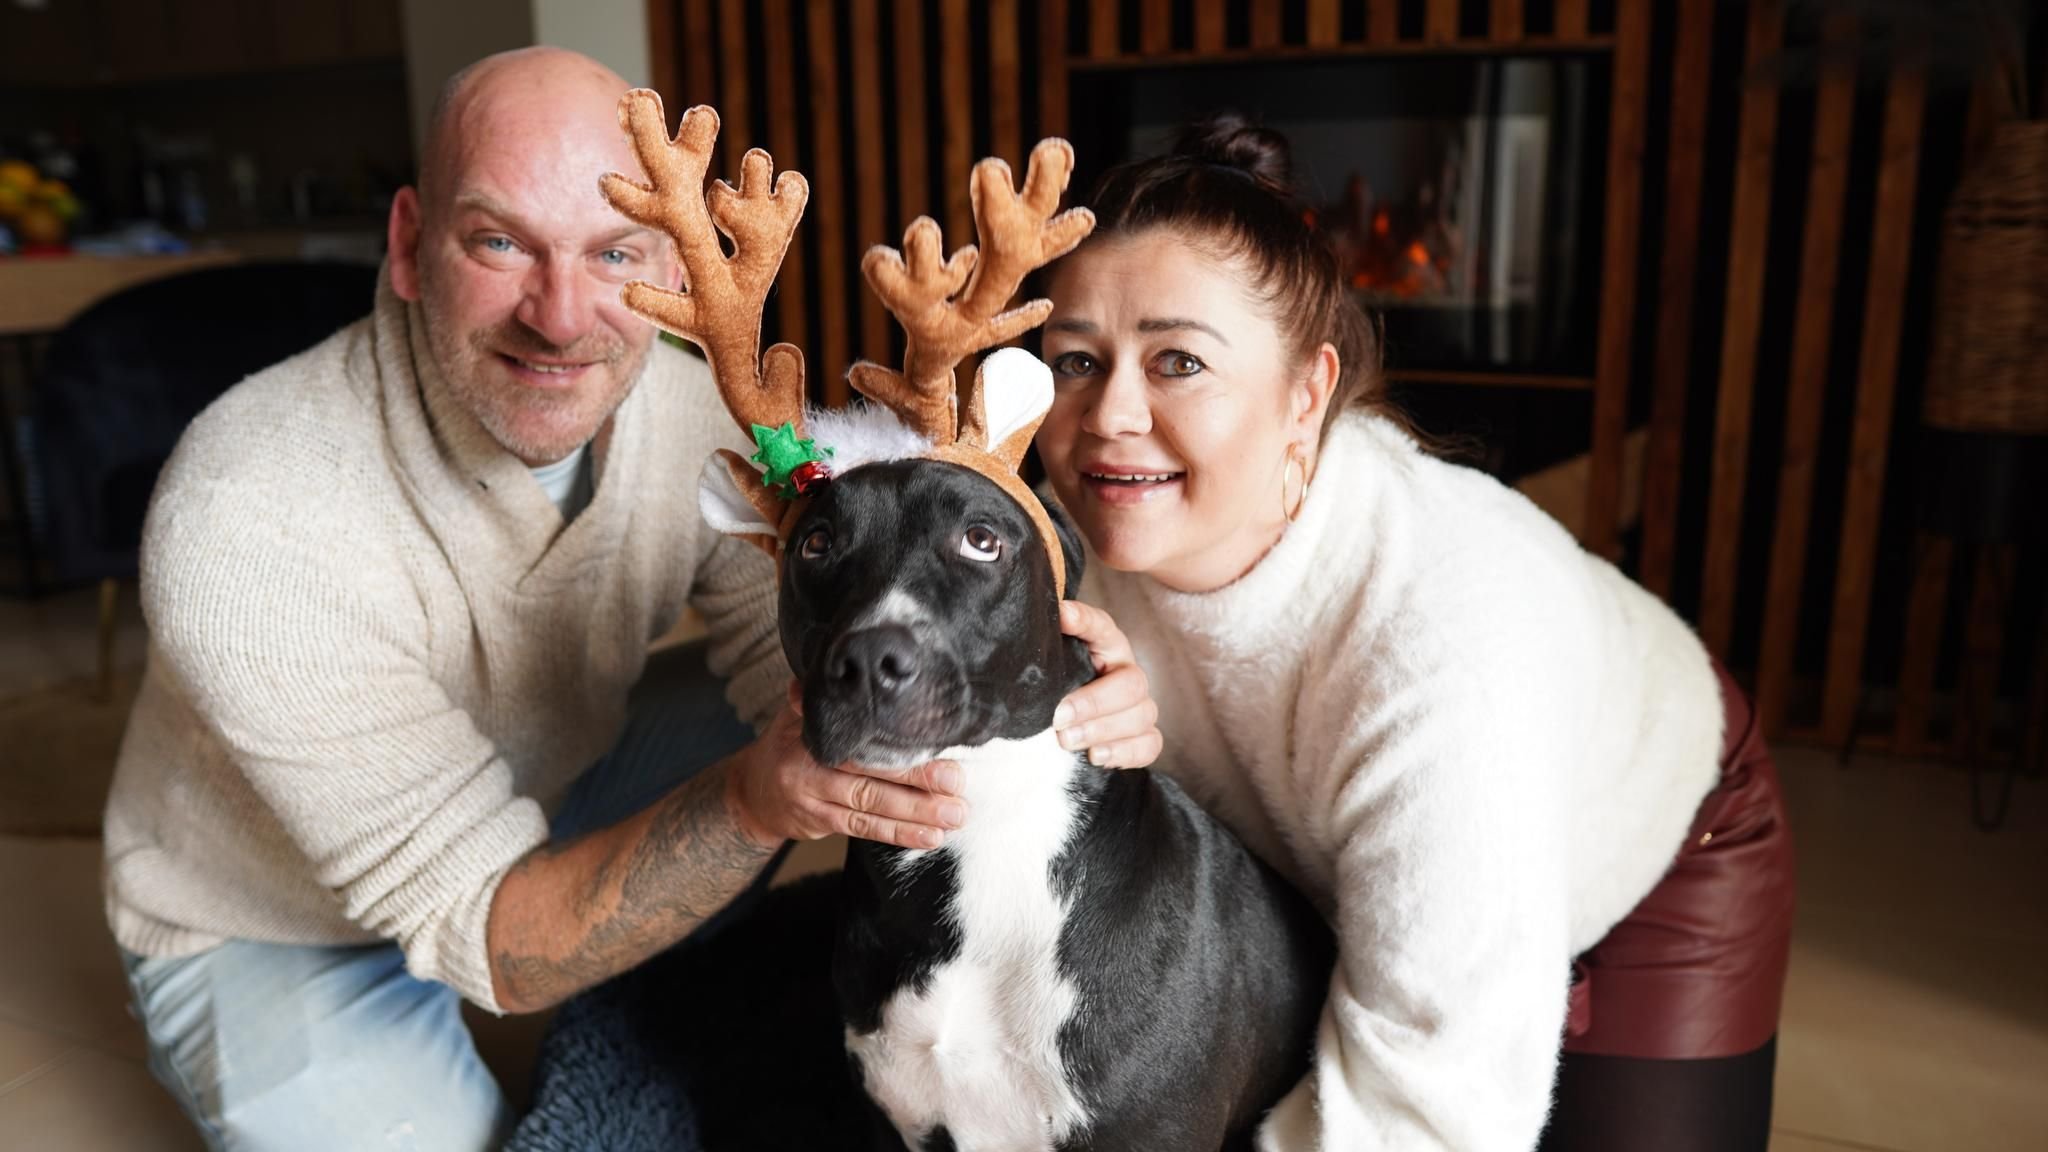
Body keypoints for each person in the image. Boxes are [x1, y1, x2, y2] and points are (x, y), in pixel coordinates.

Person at [102, 48, 1158, 1152]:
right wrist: (756, 806)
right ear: (411, 245)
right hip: (272, 925)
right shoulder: (247, 512)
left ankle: (633, 959)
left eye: (614, 251)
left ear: (672, 263)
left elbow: (792, 664)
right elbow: (483, 930)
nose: (560, 318)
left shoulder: (691, 409)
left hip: (548, 775)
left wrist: (1064, 702)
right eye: (499, 241)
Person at [1034, 114, 1795, 1151]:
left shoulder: (1438, 642)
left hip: (1662, 833)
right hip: (1326, 855)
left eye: (1176, 363)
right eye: (1075, 363)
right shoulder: (1048, 537)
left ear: (1305, 395)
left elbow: (1431, 1115)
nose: (1109, 415)